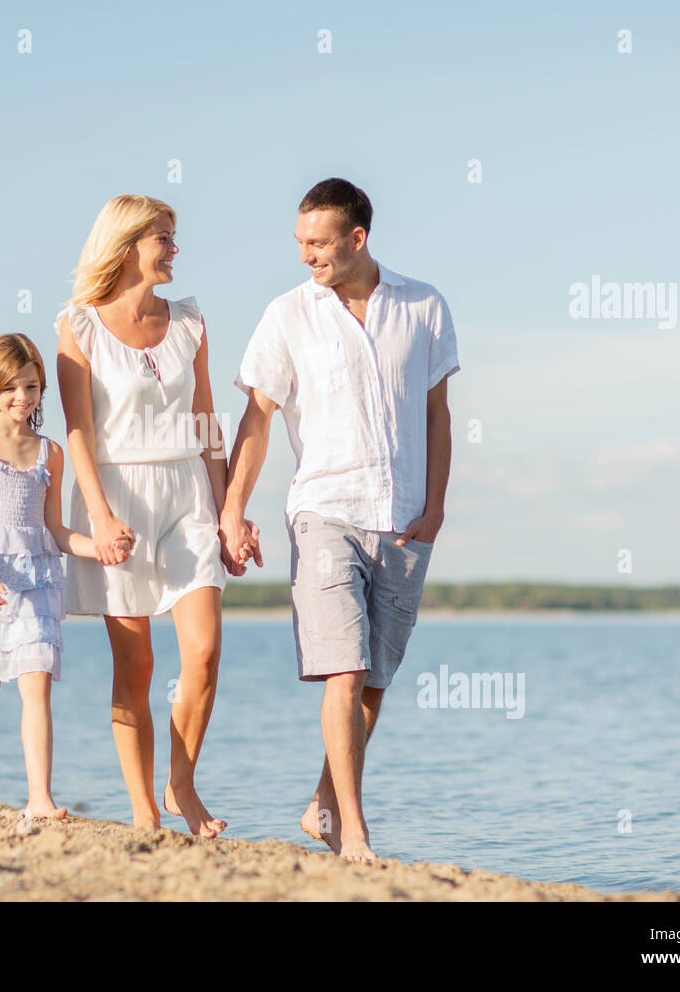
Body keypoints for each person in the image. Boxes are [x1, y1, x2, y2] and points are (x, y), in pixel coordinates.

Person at [222, 178, 460, 862]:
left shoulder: (423, 306)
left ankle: (324, 803)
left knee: (373, 680)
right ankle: (353, 832)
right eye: (300, 243)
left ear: (357, 239)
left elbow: (439, 416)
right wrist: (233, 510)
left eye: (318, 244)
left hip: (404, 518)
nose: (306, 256)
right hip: (323, 510)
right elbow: (258, 420)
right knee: (343, 669)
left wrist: (437, 506)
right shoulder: (287, 315)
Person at [54, 194, 250, 837]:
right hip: (118, 497)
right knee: (134, 666)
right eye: (163, 237)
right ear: (128, 243)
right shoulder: (78, 326)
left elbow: (208, 423)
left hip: (189, 490)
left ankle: (181, 785)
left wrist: (228, 514)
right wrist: (100, 518)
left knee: (205, 651)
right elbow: (78, 431)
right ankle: (143, 811)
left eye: (173, 236)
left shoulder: (190, 321)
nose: (173, 248)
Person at [0, 333, 125, 819]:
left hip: (36, 576)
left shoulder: (49, 453)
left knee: (37, 679)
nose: (23, 397)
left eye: (33, 387)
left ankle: (40, 798)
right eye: (12, 387)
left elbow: (55, 530)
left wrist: (96, 547)